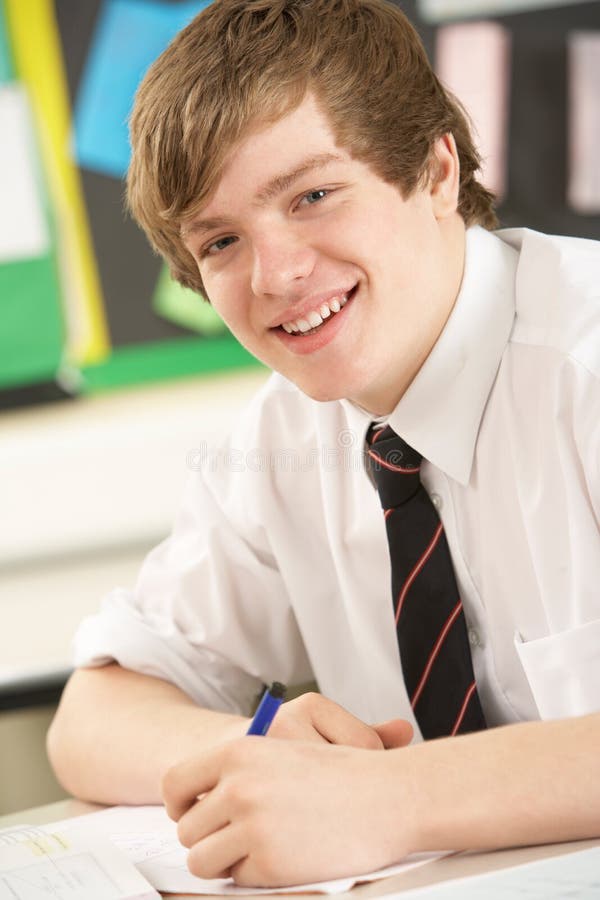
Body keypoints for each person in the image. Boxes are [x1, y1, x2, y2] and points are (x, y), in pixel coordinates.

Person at [47, 0, 600, 888]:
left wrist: (391, 799)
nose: (276, 275)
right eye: (221, 241)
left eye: (312, 196)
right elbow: (91, 720)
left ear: (434, 169)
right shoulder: (276, 444)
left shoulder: (587, 360)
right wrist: (259, 752)